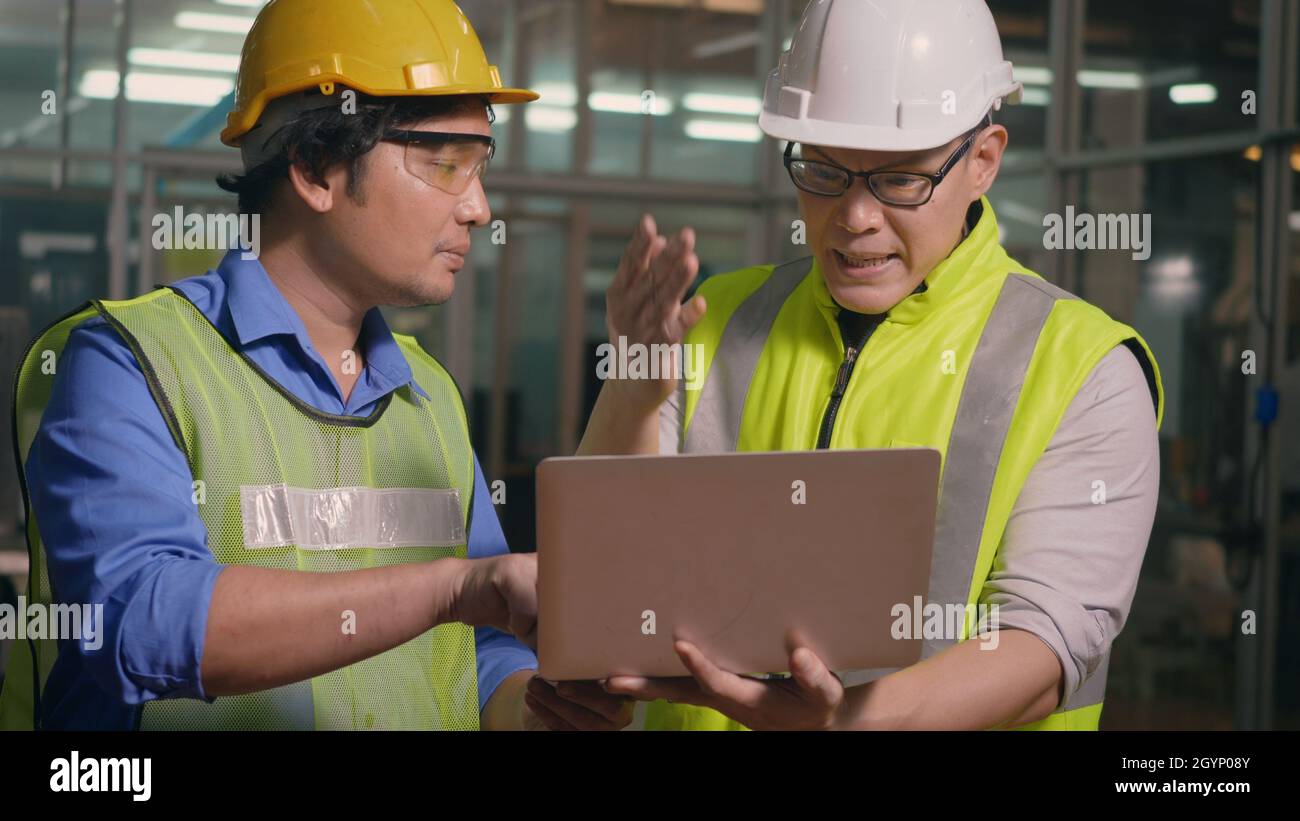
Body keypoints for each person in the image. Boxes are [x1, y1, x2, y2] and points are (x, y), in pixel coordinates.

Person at [0, 0, 630, 731]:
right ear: (314, 166)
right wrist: (455, 587)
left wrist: (535, 709)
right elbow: (142, 622)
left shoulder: (429, 394)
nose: (479, 209)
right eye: (446, 161)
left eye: (480, 164)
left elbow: (481, 652)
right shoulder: (131, 365)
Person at [581, 0, 1163, 730]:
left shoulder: (1083, 368)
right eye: (823, 171)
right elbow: (606, 579)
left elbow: (1040, 647)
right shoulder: (712, 321)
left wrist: (838, 723)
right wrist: (633, 390)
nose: (855, 216)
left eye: (899, 179)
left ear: (983, 161)